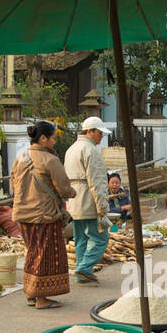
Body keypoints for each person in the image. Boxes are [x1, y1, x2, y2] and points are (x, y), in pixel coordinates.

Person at [10, 120, 76, 309]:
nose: (54, 142)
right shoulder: (50, 160)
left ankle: (31, 294)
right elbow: (63, 188)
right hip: (44, 216)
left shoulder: (21, 156)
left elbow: (13, 183)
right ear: (43, 138)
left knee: (33, 253)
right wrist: (73, 192)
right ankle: (41, 298)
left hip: (22, 215)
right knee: (46, 256)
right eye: (53, 138)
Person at [64, 116, 111, 286]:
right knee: (101, 238)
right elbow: (97, 182)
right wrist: (102, 207)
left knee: (81, 238)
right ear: (90, 131)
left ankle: (82, 271)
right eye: (100, 133)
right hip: (88, 200)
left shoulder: (71, 149)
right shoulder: (90, 151)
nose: (101, 137)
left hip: (74, 201)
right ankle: (84, 268)